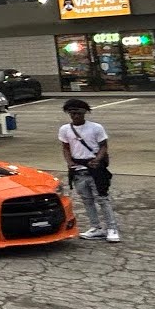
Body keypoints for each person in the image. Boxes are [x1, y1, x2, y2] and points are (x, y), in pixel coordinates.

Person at [59, 98, 120, 242]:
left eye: (78, 113)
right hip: (78, 170)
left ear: (85, 112)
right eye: (71, 113)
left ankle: (112, 228)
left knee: (103, 199)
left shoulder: (96, 128)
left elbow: (104, 146)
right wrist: (69, 162)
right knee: (87, 200)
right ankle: (96, 227)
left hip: (95, 169)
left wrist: (98, 159)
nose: (75, 116)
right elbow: (66, 147)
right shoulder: (65, 129)